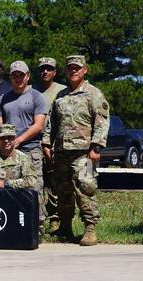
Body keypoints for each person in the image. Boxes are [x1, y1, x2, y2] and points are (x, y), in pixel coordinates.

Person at [42, 55, 109, 246]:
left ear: (85, 70)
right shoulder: (61, 96)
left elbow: (102, 122)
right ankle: (65, 227)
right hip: (62, 152)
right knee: (63, 191)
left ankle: (90, 228)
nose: (74, 71)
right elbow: (51, 123)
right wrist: (47, 144)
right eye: (70, 68)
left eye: (77, 68)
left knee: (86, 188)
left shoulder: (93, 94)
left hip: (85, 154)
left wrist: (96, 147)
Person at [0, 60, 49, 223]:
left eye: (21, 75)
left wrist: (18, 140)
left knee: (34, 187)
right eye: (14, 76)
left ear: (27, 76)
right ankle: (11, 223)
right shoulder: (3, 98)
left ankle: (37, 224)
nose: (18, 79)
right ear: (10, 78)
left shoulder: (37, 97)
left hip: (31, 150)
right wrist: (5, 142)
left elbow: (39, 125)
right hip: (8, 152)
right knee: (9, 188)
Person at [33, 57, 64, 224]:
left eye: (49, 69)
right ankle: (37, 219)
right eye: (42, 69)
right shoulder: (30, 90)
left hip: (53, 144)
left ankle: (55, 218)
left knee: (54, 183)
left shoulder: (62, 91)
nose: (45, 71)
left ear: (55, 72)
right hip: (32, 143)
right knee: (36, 182)